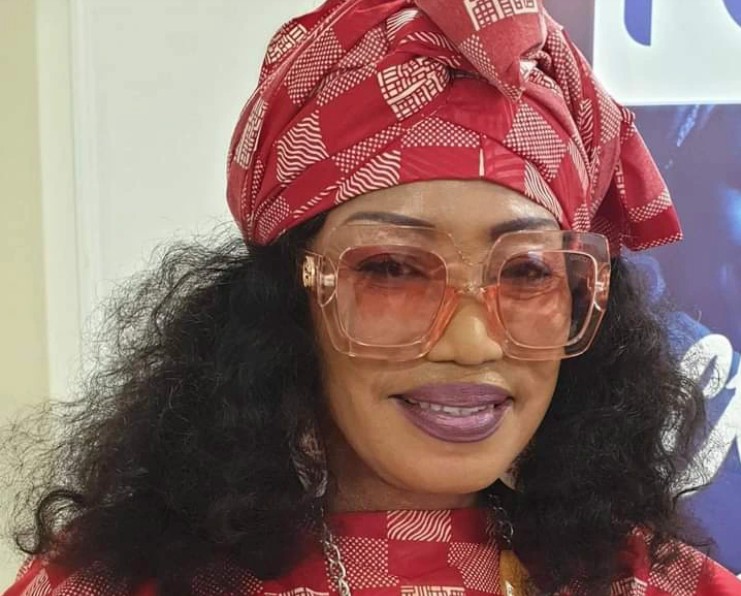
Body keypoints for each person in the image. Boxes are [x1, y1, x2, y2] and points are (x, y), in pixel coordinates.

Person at [3, 0, 741, 594]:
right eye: (392, 269)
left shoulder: (660, 585)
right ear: (288, 301)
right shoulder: (123, 583)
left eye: (525, 273)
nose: (472, 342)